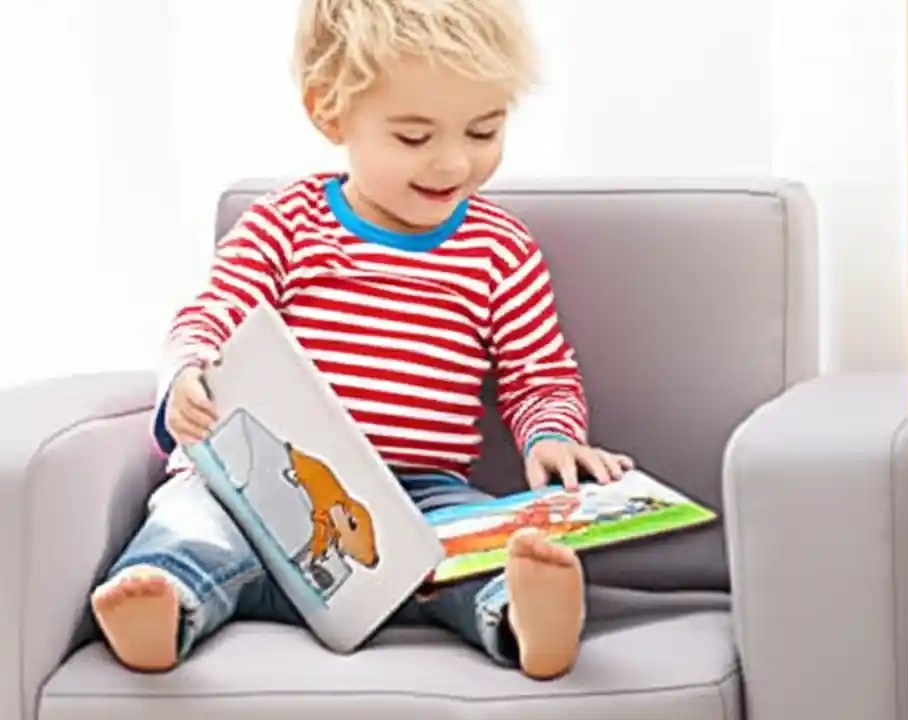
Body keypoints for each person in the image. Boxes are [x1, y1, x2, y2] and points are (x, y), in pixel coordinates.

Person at [88, 0, 632, 681]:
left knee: (480, 541)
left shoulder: (499, 249)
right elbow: (213, 311)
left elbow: (539, 375)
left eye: (483, 130)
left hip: (417, 494)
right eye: (413, 137)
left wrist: (551, 437)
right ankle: (166, 602)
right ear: (329, 111)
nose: (453, 162)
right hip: (262, 488)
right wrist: (188, 373)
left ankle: (520, 617)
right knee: (193, 521)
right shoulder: (286, 224)